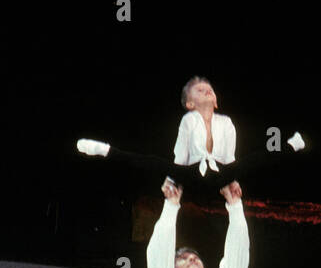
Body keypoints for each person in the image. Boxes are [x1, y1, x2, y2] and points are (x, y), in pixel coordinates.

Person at [78, 75, 297, 203]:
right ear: (190, 104)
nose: (207, 91)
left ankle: (292, 147)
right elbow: (180, 153)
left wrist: (232, 181)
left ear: (217, 100)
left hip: (221, 172)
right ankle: (106, 150)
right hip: (192, 173)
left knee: (254, 160)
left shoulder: (226, 122)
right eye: (200, 91)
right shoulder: (188, 120)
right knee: (152, 161)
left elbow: (230, 156)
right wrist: (172, 178)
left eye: (209, 89)